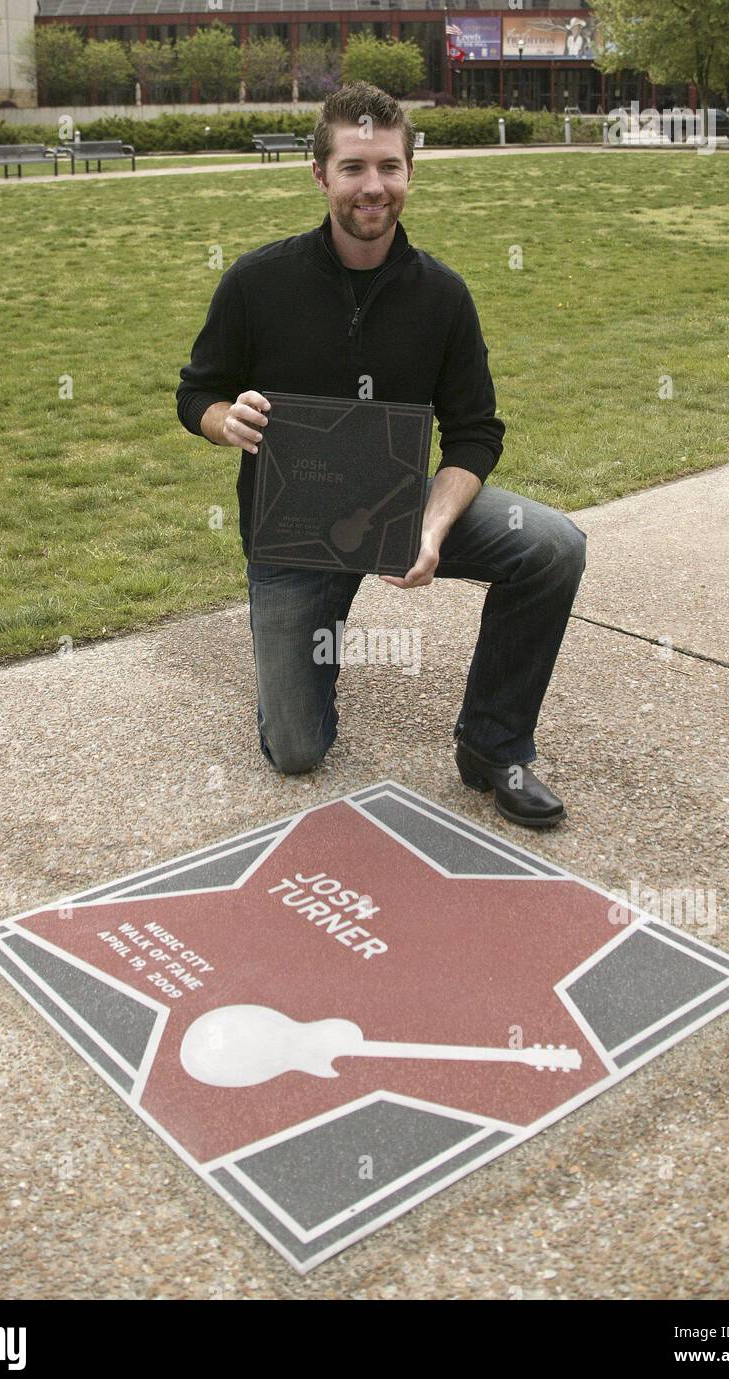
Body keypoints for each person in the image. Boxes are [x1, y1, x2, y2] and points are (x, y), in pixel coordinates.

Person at [176, 82, 586, 829]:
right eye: (356, 167)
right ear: (321, 176)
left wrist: (429, 530)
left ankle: (494, 746)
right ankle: (300, 663)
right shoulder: (257, 281)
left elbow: (475, 432)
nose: (374, 187)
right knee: (296, 749)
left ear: (410, 173)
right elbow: (194, 393)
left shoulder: (442, 297)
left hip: (398, 507)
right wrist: (220, 420)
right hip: (294, 528)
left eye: (390, 168)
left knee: (552, 546)